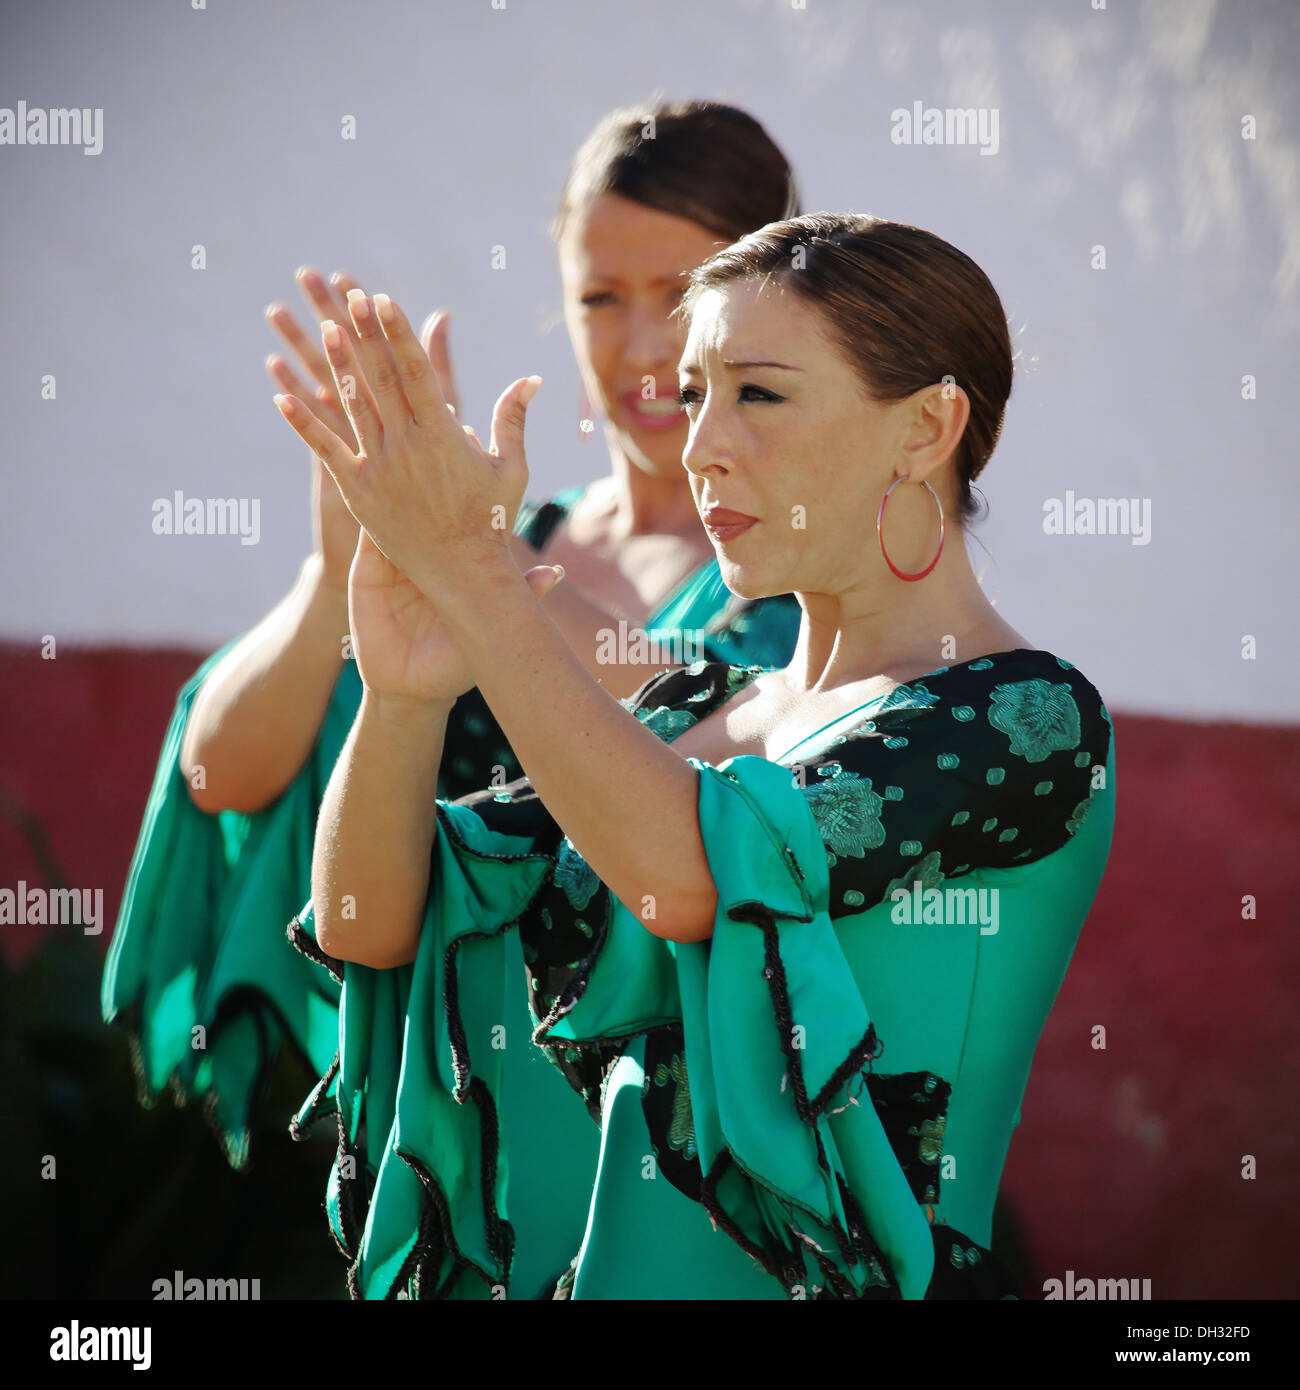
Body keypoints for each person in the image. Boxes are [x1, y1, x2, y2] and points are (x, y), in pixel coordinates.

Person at [279, 212, 1117, 1300]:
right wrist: (398, 700)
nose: (701, 442)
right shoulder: (691, 716)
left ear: (926, 427)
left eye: (757, 394)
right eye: (694, 396)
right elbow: (373, 925)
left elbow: (693, 878)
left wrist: (483, 587)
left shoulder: (1027, 716)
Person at [101, 100, 802, 1299]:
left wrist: (479, 580)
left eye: (677, 291)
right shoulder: (509, 533)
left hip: (666, 1154)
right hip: (429, 1127)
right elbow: (224, 773)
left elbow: (734, 720)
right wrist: (341, 575)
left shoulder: (788, 562)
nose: (638, 346)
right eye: (598, 296)